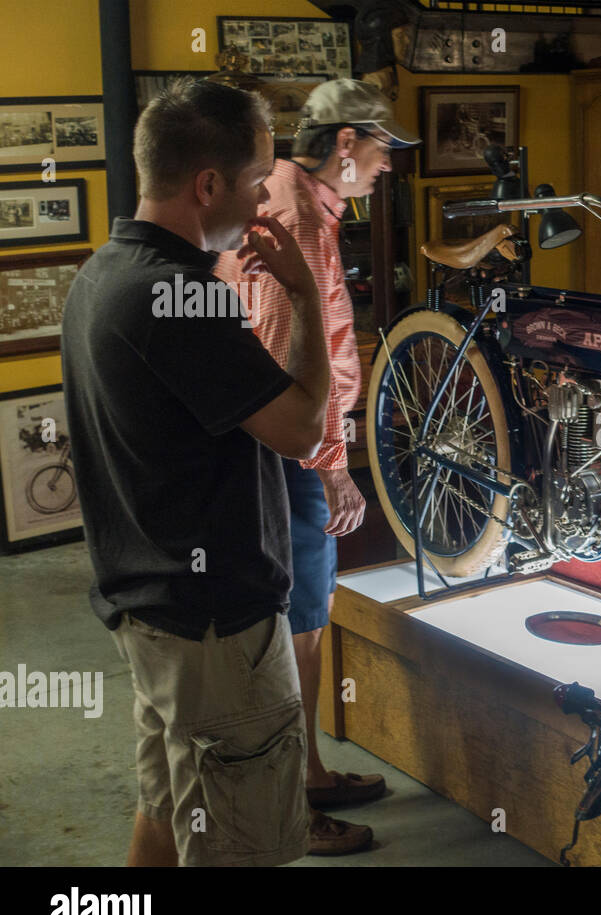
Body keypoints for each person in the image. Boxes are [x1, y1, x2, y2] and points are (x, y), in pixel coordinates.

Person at [61, 80, 331, 866]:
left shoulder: (101, 275)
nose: (261, 207)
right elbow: (302, 429)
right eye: (255, 184)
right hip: (217, 631)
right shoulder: (180, 297)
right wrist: (305, 298)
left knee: (168, 808)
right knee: (238, 841)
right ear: (206, 183)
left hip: (151, 615)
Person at [214, 79, 419, 856]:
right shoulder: (297, 214)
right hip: (292, 455)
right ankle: (296, 798)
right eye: (381, 149)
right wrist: (330, 463)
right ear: (345, 143)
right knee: (296, 623)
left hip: (291, 452)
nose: (387, 167)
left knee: (305, 619)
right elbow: (282, 358)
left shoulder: (299, 200)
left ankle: (311, 773)